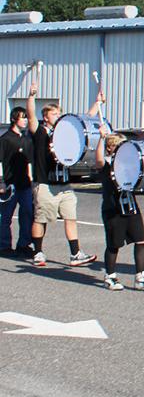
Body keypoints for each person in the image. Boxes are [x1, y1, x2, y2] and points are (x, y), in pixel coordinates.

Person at [27, 82, 97, 267]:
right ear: (46, 116)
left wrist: (97, 103)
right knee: (41, 219)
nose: (58, 116)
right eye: (54, 113)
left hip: (64, 184)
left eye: (59, 113)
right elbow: (31, 116)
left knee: (70, 217)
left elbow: (86, 120)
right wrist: (31, 96)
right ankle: (38, 252)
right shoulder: (40, 131)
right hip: (44, 183)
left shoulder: (65, 131)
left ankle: (75, 254)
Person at [92, 125, 144, 290]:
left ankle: (140, 276)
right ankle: (110, 276)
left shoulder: (129, 164)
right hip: (113, 209)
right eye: (119, 146)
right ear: (110, 148)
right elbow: (98, 160)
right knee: (114, 244)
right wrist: (101, 138)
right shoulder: (106, 164)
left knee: (141, 239)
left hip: (130, 206)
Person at [0, 106, 35, 259]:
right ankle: (4, 245)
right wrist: (1, 182)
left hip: (25, 185)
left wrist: (31, 180)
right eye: (23, 117)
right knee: (6, 216)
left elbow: (29, 162)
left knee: (27, 213)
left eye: (27, 117)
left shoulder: (26, 139)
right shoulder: (5, 139)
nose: (26, 120)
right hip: (9, 184)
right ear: (14, 119)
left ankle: (23, 245)